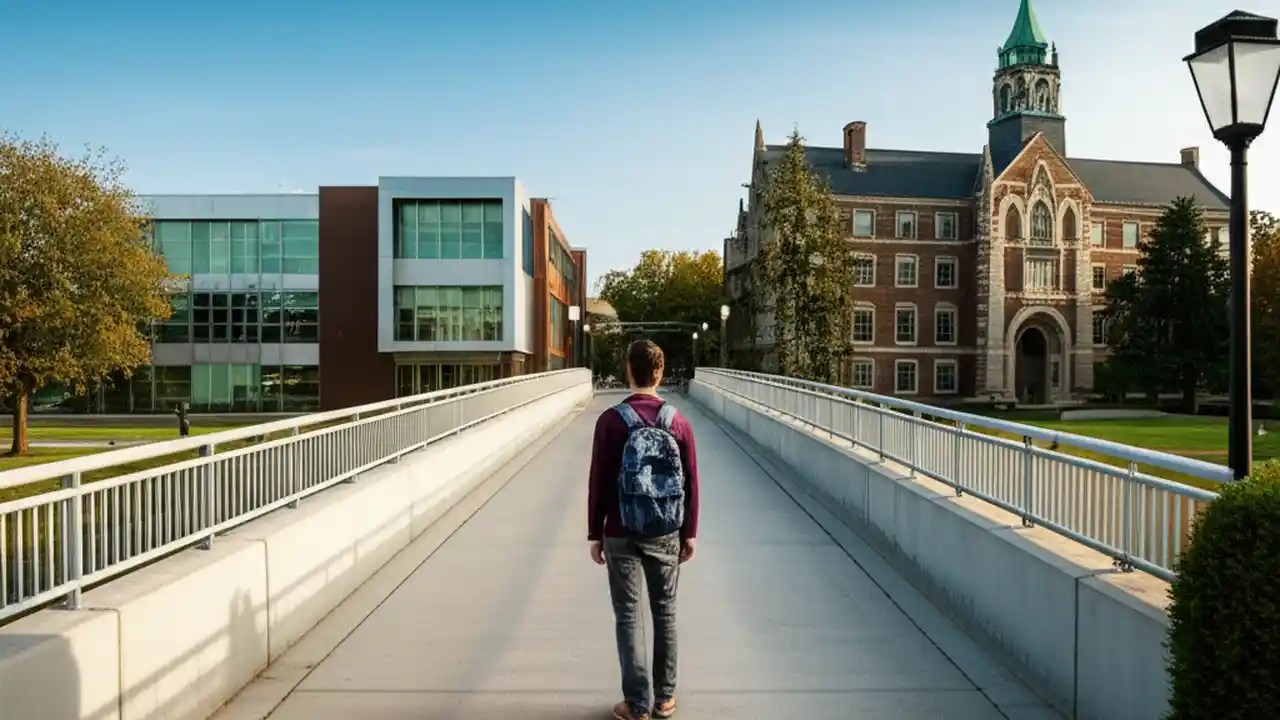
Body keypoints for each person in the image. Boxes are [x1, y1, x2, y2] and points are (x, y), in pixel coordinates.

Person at [588, 339, 700, 720]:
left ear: (628, 371)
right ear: (660, 371)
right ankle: (665, 699)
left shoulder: (610, 421)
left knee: (628, 614)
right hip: (665, 530)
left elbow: (599, 481)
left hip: (620, 529)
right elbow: (692, 482)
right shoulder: (678, 423)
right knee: (665, 611)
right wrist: (690, 532)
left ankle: (636, 705)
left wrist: (594, 532)